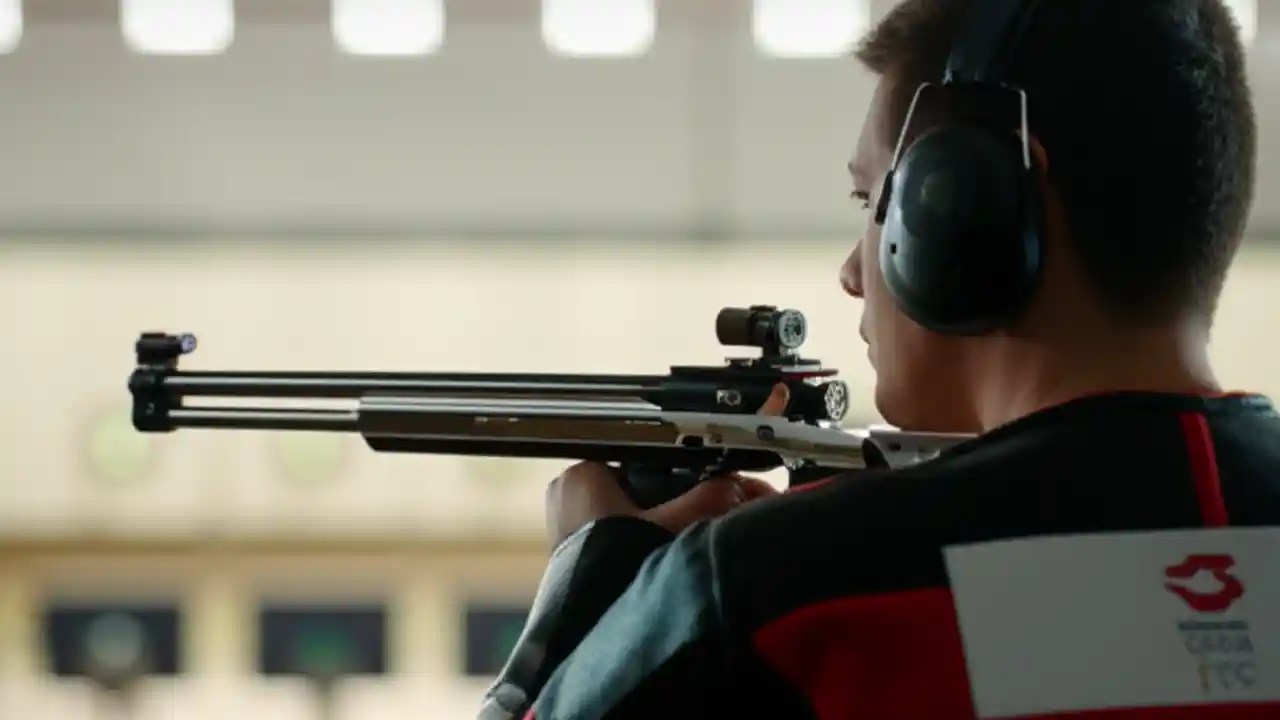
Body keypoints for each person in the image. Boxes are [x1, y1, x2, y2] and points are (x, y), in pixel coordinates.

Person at [480, 0, 1280, 718]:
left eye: (873, 201)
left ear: (969, 196)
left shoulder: (783, 595)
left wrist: (600, 586)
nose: (854, 271)